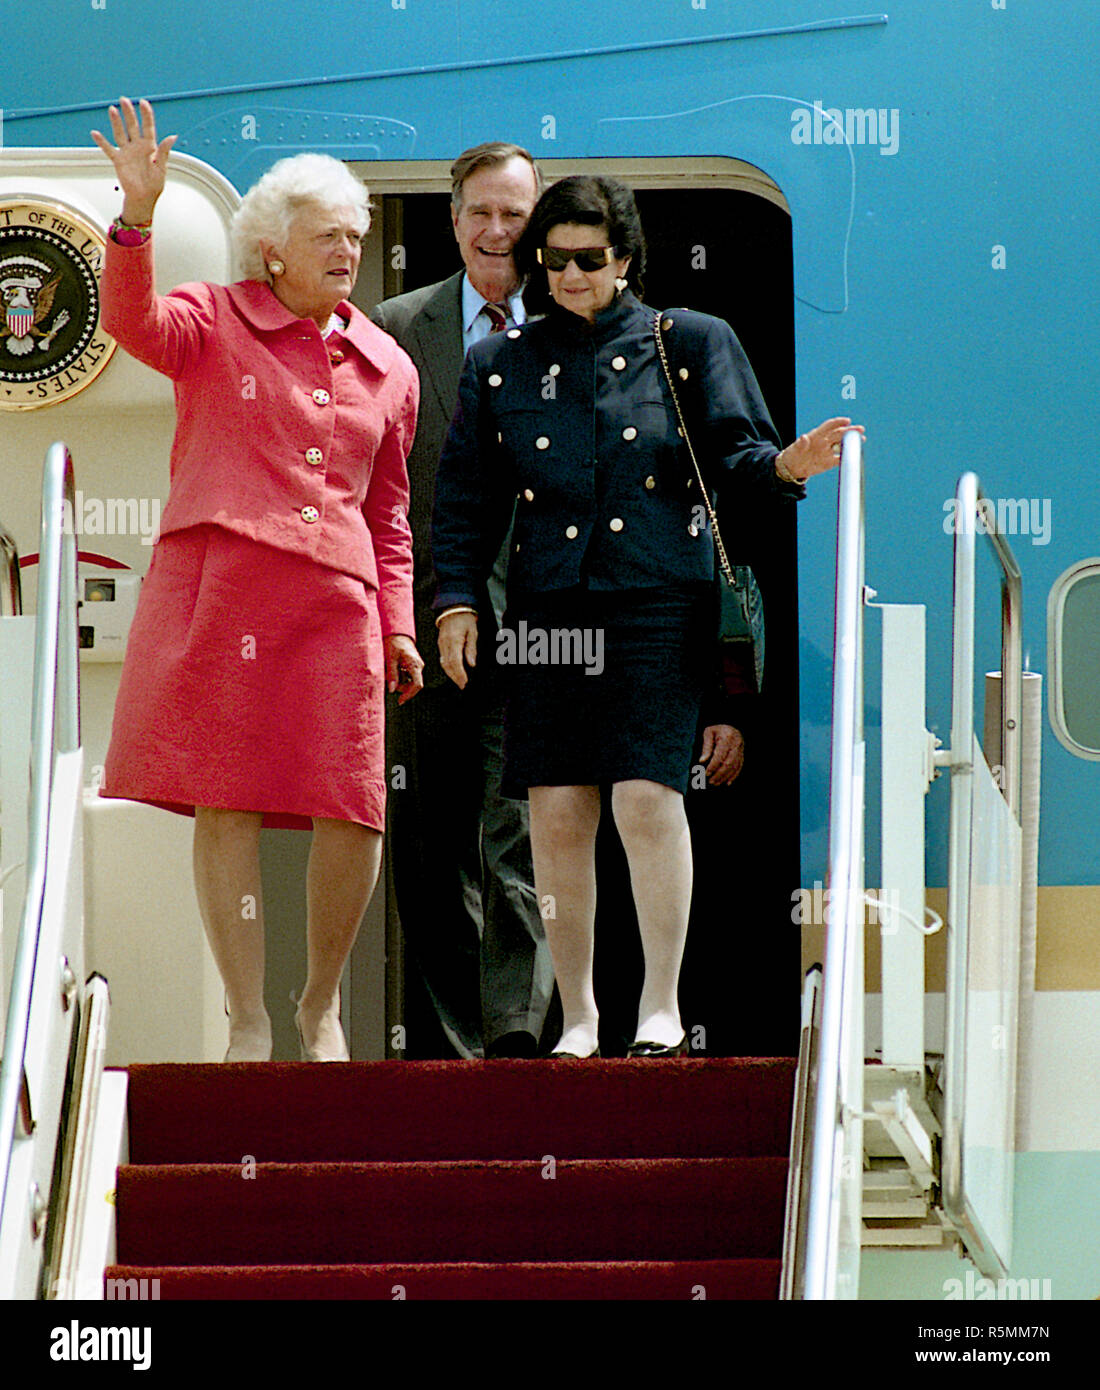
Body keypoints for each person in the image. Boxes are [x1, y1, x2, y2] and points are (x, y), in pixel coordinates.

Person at [432, 175, 861, 1059]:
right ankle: (581, 1016)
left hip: (659, 603)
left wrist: (786, 466)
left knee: (645, 797)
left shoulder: (690, 341)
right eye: (554, 261)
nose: (571, 274)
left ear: (626, 258)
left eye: (591, 259)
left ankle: (660, 1004)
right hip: (550, 608)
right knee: (553, 809)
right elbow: (465, 500)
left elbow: (739, 461)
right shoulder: (498, 363)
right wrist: (458, 601)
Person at [92, 98, 423, 1063]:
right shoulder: (212, 317)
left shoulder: (390, 364)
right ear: (271, 249)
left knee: (354, 801)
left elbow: (390, 512)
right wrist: (138, 216)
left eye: (357, 237)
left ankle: (318, 1006)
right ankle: (245, 1017)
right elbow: (128, 317)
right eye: (328, 237)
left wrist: (398, 622)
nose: (349, 252)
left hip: (340, 605)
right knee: (227, 797)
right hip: (225, 586)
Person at [370, 144, 554, 1059]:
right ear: (451, 220)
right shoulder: (394, 325)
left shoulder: (575, 322)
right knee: (433, 845)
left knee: (522, 837)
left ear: (537, 217)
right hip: (422, 628)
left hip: (545, 631)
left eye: (513, 214)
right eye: (479, 212)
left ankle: (518, 1040)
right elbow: (376, 489)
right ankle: (450, 1054)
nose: (495, 231)